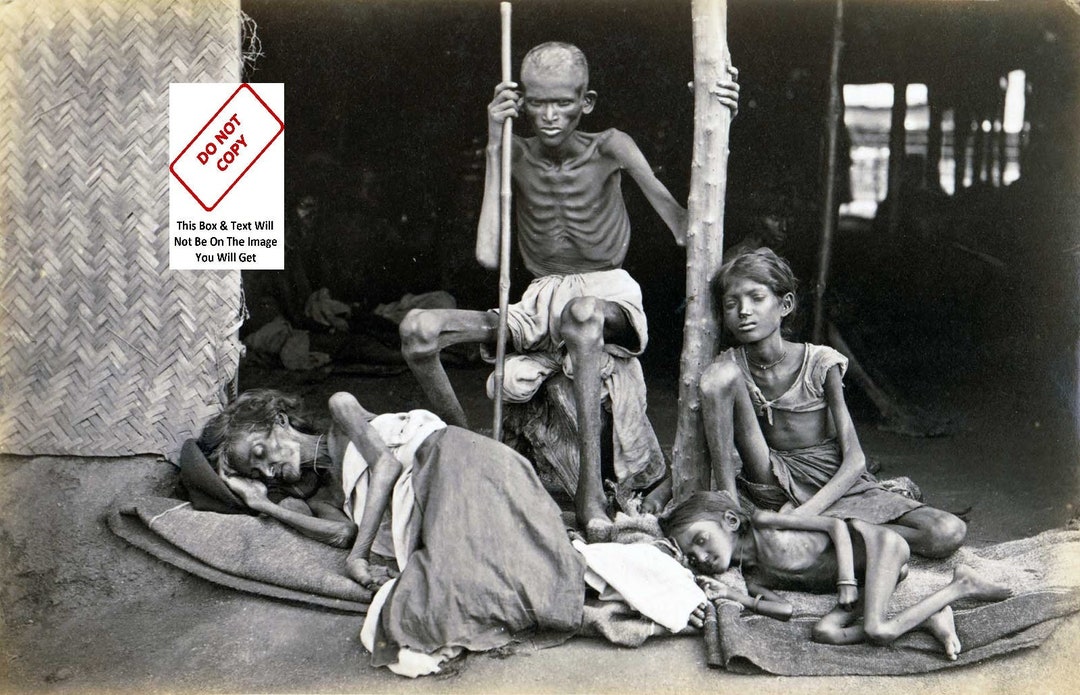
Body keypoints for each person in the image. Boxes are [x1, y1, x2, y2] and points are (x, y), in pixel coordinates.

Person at [399, 42, 739, 535]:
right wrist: (497, 139)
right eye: (538, 102)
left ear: (588, 102)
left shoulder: (612, 147)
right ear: (522, 101)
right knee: (418, 329)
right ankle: (466, 449)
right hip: (539, 299)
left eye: (563, 102)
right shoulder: (514, 152)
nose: (551, 115)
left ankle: (591, 499)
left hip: (606, 294)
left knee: (580, 314)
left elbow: (682, 223)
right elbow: (489, 256)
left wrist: (720, 112)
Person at [198, 389, 588, 667]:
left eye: (260, 452)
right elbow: (344, 534)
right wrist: (263, 504)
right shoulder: (323, 496)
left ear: (278, 420)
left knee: (456, 581)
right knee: (432, 600)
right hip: (424, 505)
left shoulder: (341, 412)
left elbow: (385, 466)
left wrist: (359, 557)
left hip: (452, 459)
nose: (267, 469)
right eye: (257, 472)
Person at [693, 248, 967, 558]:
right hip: (770, 480)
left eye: (756, 298)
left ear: (785, 305)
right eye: (732, 303)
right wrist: (729, 506)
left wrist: (805, 514)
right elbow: (718, 401)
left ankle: (827, 533)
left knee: (947, 532)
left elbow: (855, 460)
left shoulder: (821, 362)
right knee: (719, 376)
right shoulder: (730, 368)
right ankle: (743, 512)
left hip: (832, 481)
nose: (743, 310)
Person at [664, 490, 1011, 660]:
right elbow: (784, 611)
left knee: (878, 630)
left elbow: (835, 526)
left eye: (700, 539)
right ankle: (925, 617)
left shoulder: (766, 523)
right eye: (693, 557)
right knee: (824, 632)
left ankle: (961, 585)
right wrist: (736, 596)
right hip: (866, 577)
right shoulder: (754, 576)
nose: (701, 556)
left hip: (879, 547)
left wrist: (845, 578)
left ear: (730, 521)